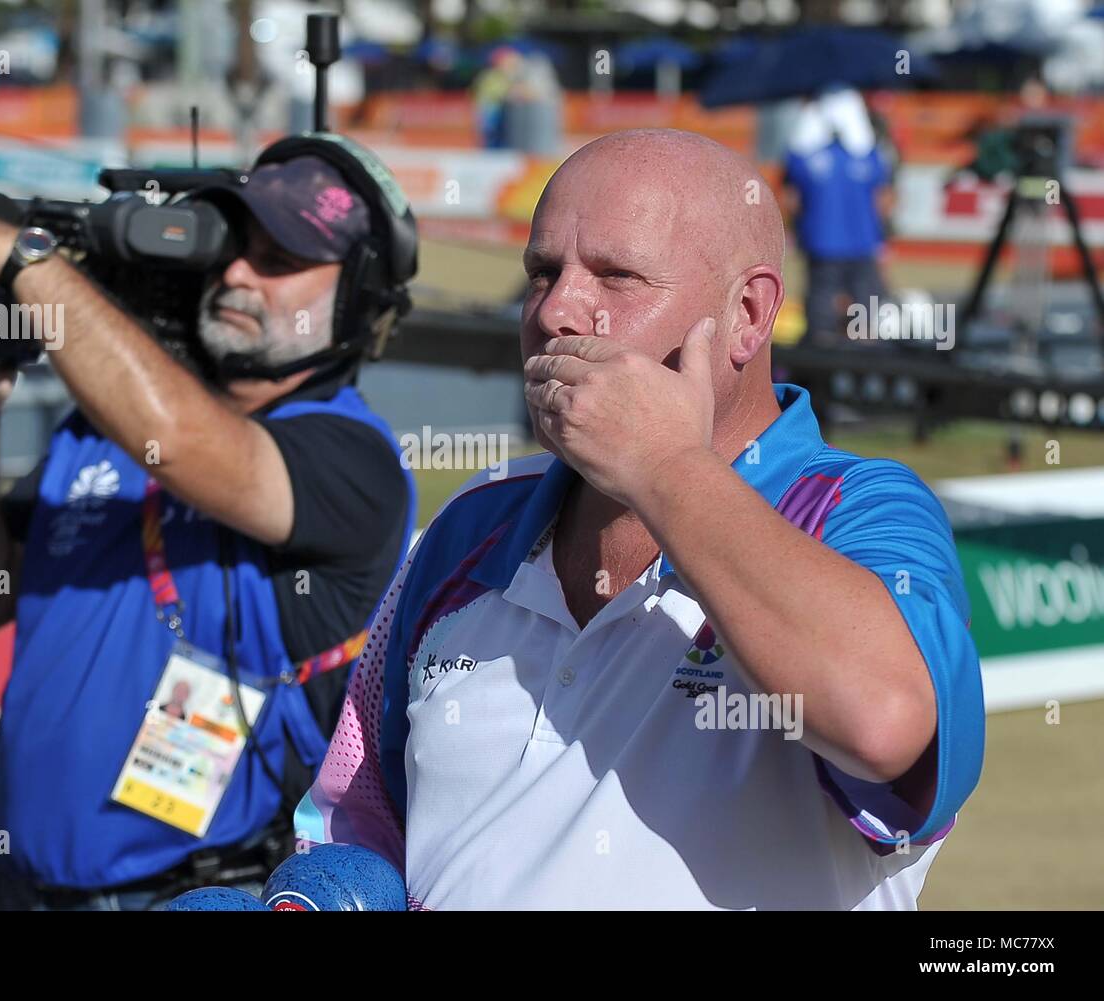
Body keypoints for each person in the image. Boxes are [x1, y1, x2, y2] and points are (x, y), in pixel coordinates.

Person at [295, 128, 984, 910]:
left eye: (616, 277)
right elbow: (357, 818)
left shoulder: (854, 507)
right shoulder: (475, 520)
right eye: (542, 271)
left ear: (749, 315)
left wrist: (663, 467)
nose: (557, 310)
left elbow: (884, 720)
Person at [0, 141, 417, 909]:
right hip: (16, 889)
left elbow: (189, 444)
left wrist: (29, 261)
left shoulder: (352, 455)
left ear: (357, 296)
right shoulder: (103, 431)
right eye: (234, 250)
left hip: (195, 895)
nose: (236, 275)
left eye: (278, 258)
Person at [784, 87, 893, 345]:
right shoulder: (869, 156)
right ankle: (866, 354)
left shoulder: (803, 157)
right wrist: (884, 235)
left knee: (821, 302)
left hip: (821, 241)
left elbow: (791, 199)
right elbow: (883, 199)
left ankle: (819, 352)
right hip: (862, 242)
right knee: (866, 309)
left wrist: (795, 229)